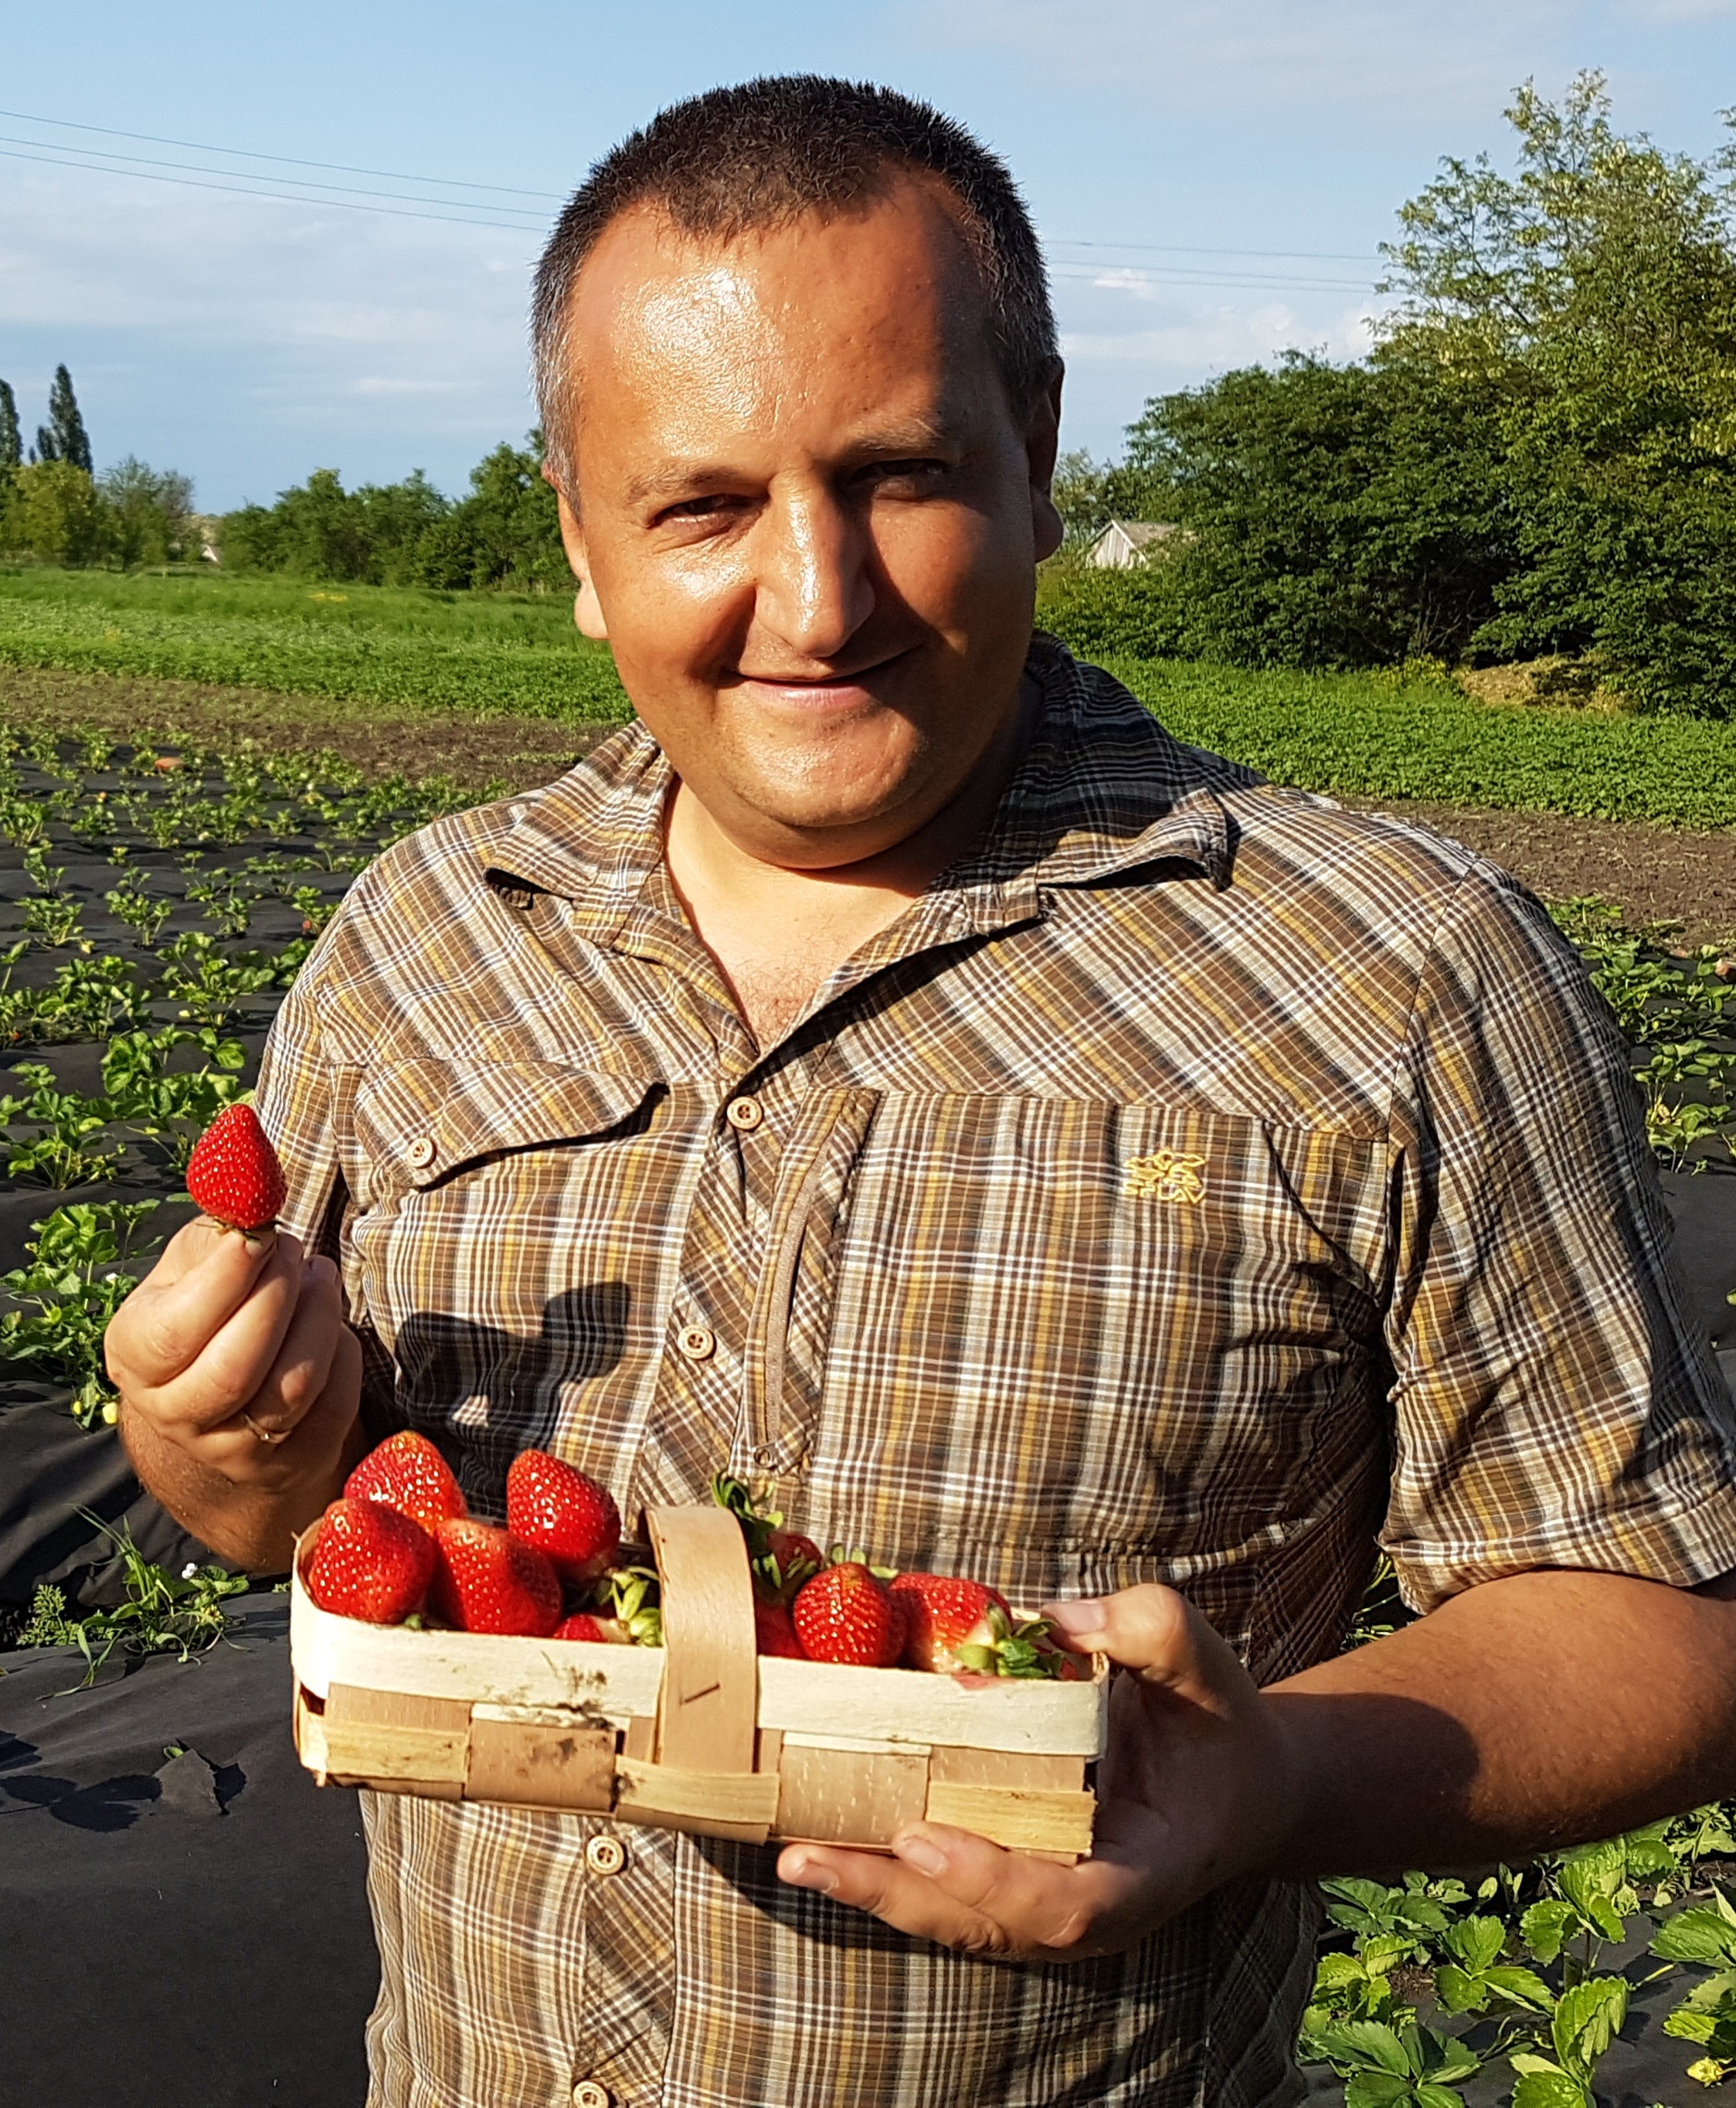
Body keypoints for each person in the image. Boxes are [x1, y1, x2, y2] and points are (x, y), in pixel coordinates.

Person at [107, 75, 1736, 2108]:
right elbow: (310, 1512)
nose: (817, 598)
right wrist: (233, 1468)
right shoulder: (421, 943)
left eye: (898, 476)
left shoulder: (1397, 977)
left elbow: (1652, 1620)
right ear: (583, 543)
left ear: (1038, 457)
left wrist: (1263, 1782)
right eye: (701, 506)